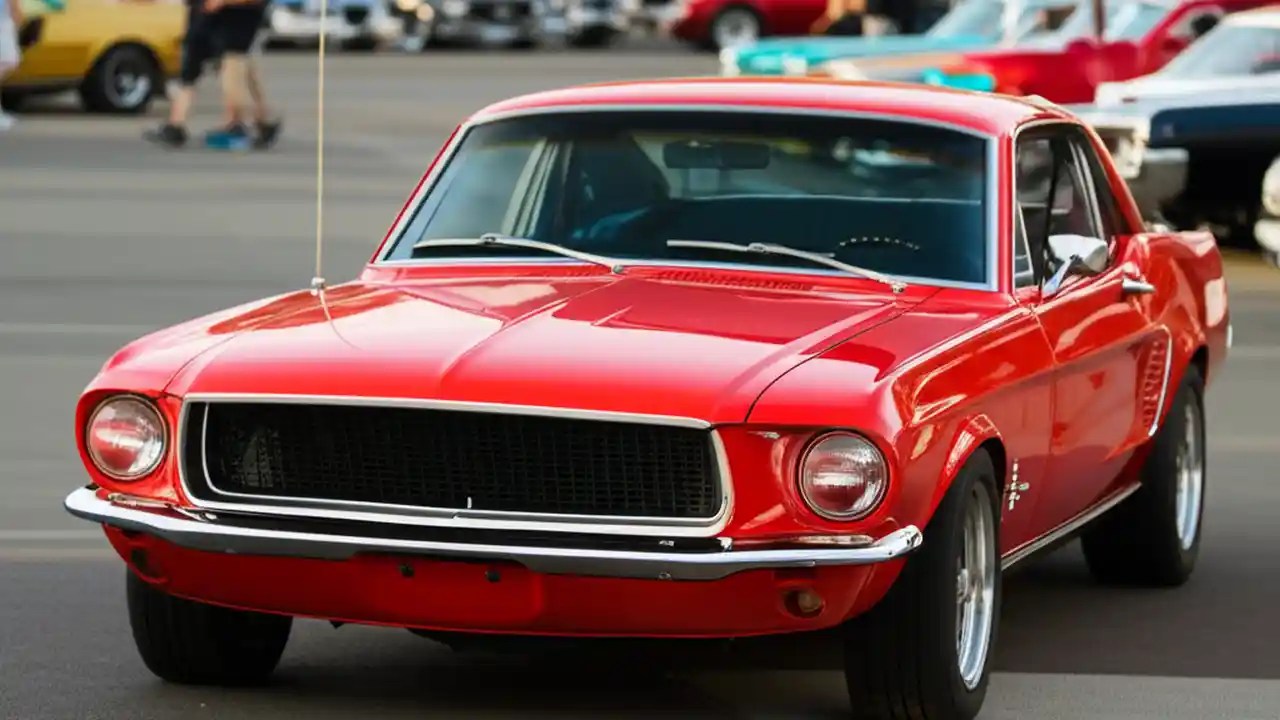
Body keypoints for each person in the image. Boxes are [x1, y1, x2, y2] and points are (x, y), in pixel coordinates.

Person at [202, 0, 280, 151]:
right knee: (246, 72)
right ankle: (262, 120)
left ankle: (235, 122)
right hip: (233, 21)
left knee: (233, 69)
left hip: (240, 21)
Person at [144, 0, 221, 147]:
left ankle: (176, 125)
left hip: (207, 23)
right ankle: (176, 124)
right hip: (210, 22)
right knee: (240, 71)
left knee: (189, 78)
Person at [0, 0, 24, 131]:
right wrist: (18, 20)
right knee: (9, 60)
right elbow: (15, 8)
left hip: (4, 19)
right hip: (3, 22)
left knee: (9, 61)